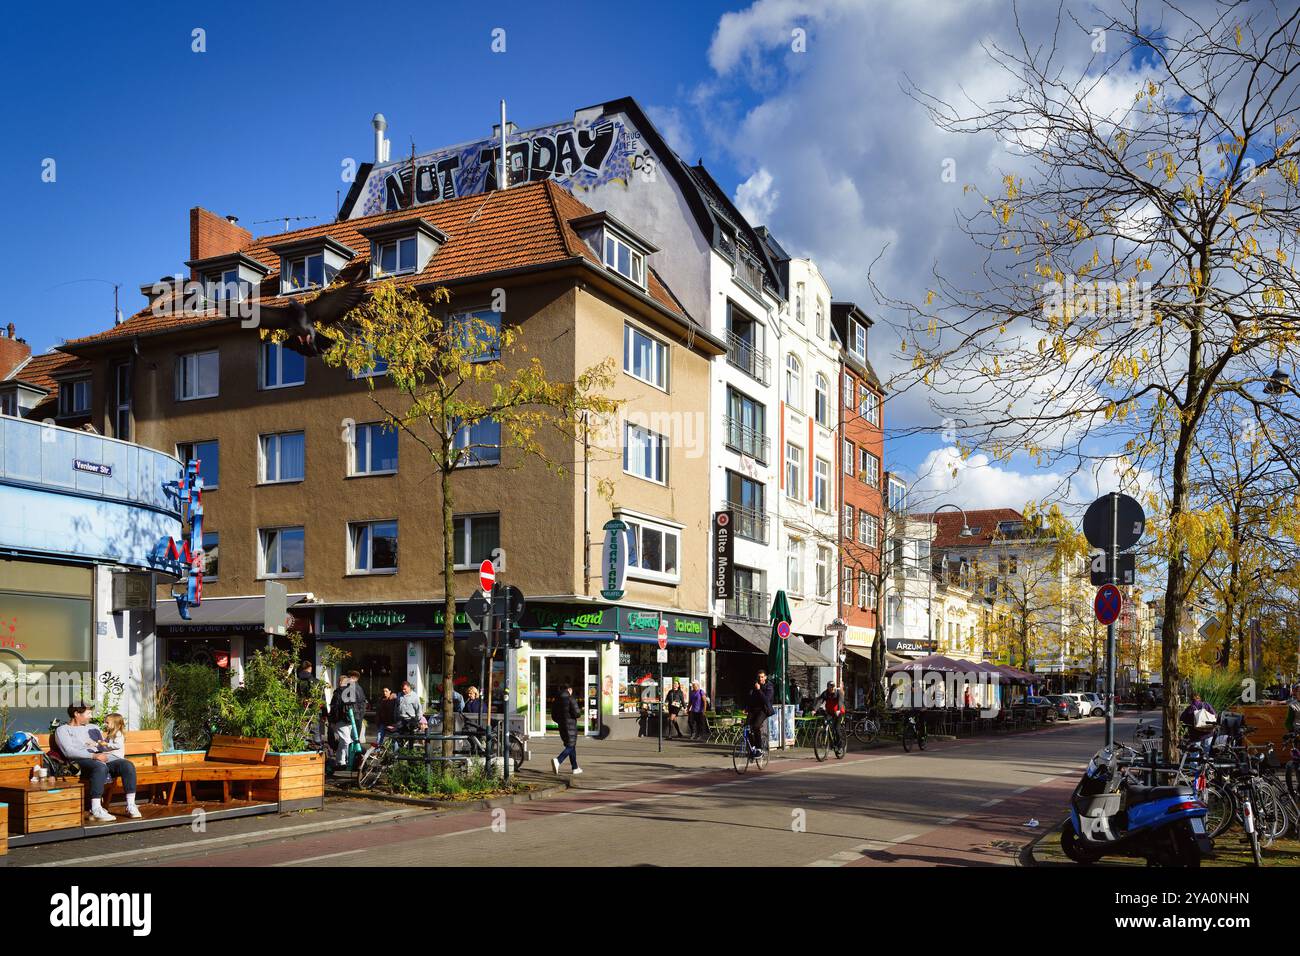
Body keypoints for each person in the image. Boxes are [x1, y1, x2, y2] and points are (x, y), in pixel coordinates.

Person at [54, 704, 140, 821]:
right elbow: (69, 752)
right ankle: (96, 809)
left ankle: (131, 805)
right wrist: (94, 755)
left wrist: (108, 751)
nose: (91, 716)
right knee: (99, 767)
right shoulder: (62, 730)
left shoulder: (93, 727)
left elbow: (102, 746)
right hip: (79, 761)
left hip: (100, 757)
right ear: (76, 714)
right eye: (88, 714)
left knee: (127, 765)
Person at [550, 683, 582, 775]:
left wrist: (561, 721)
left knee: (571, 745)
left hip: (562, 726)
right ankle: (558, 760)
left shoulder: (556, 700)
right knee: (570, 746)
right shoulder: (570, 698)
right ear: (569, 689)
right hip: (571, 725)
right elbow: (577, 713)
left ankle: (575, 767)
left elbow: (553, 716)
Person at [746, 670, 775, 756]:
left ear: (765, 677)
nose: (760, 679)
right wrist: (746, 708)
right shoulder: (754, 685)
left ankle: (759, 748)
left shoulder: (769, 686)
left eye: (762, 677)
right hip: (754, 709)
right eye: (759, 677)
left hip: (764, 709)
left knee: (756, 726)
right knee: (747, 727)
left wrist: (759, 690)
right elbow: (750, 697)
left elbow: (766, 700)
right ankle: (752, 747)